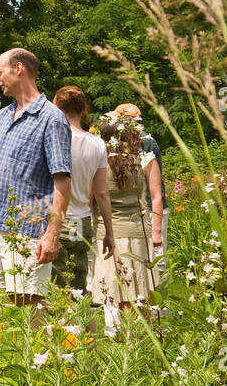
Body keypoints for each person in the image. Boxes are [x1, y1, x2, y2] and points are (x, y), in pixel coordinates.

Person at [0, 48, 72, 309]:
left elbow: (62, 182)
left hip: (28, 229)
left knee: (31, 302)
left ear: (19, 69)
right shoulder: (2, 116)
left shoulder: (51, 119)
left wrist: (52, 234)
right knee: (4, 300)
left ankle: (49, 348)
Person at [91, 113, 163, 335]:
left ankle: (119, 337)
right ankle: (144, 337)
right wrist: (157, 232)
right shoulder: (145, 159)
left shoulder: (98, 163)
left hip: (107, 234)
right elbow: (156, 196)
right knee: (140, 289)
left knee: (114, 290)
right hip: (137, 232)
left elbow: (90, 198)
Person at [52, 86, 115, 295]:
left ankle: (61, 327)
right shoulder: (97, 144)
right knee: (78, 288)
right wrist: (109, 233)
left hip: (57, 220)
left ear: (56, 108)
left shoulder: (54, 140)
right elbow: (101, 193)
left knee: (55, 289)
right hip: (83, 221)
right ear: (84, 111)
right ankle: (82, 325)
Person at [114, 103, 167, 282]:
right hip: (138, 208)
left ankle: (159, 304)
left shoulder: (146, 142)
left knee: (156, 260)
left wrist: (156, 230)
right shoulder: (120, 143)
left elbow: (156, 191)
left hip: (153, 208)